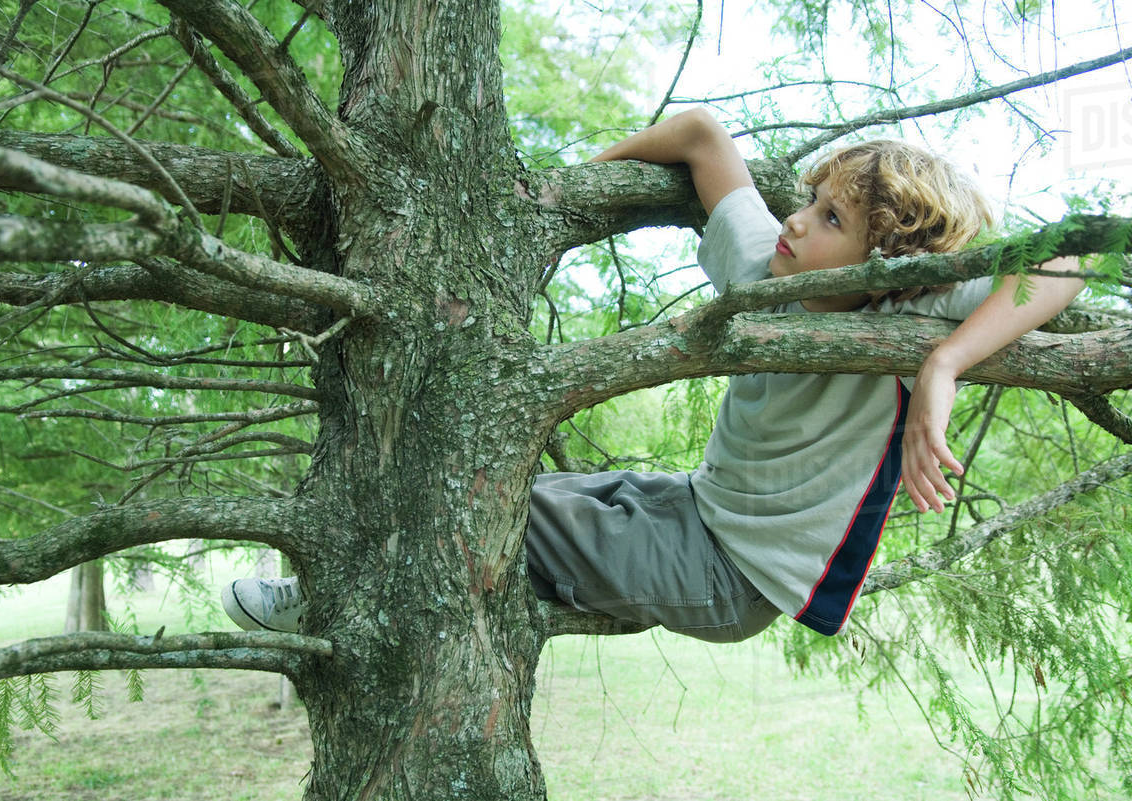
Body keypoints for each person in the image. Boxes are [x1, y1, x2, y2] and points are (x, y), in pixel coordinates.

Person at [221, 110, 1084, 642]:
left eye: (831, 219)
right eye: (811, 198)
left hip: (738, 573)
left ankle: (328, 602)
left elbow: (1073, 256)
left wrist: (943, 362)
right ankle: (393, 580)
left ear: (889, 262)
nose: (796, 220)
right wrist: (552, 207)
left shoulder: (908, 308)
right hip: (694, 509)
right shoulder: (765, 267)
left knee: (486, 507)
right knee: (506, 480)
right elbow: (701, 135)